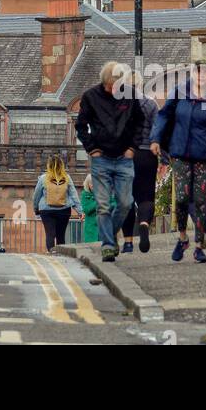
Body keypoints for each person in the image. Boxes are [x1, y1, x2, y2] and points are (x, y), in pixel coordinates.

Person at [149, 56, 206, 263]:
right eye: (196, 72)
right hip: (180, 153)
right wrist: (155, 138)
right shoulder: (180, 92)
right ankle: (183, 237)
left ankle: (199, 245)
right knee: (182, 198)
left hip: (204, 155)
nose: (199, 76)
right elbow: (164, 115)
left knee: (201, 200)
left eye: (204, 73)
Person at [75, 61, 145, 262]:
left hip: (124, 157)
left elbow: (140, 123)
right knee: (103, 205)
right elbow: (80, 126)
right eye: (110, 86)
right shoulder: (91, 97)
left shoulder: (130, 95)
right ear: (104, 83)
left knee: (125, 203)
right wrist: (92, 149)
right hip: (101, 159)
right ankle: (107, 245)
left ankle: (110, 234)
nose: (114, 90)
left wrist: (133, 148)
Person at [120, 74, 160, 254]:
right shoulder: (151, 104)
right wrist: (165, 158)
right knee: (146, 197)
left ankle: (128, 242)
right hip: (146, 155)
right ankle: (143, 224)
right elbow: (159, 131)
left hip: (125, 155)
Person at [32, 154, 82, 251]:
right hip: (64, 210)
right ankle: (61, 256)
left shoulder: (43, 178)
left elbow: (36, 196)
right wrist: (80, 211)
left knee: (50, 234)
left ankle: (51, 254)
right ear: (61, 165)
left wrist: (36, 209)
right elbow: (74, 195)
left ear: (49, 166)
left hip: (46, 210)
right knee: (61, 235)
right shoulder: (67, 178)